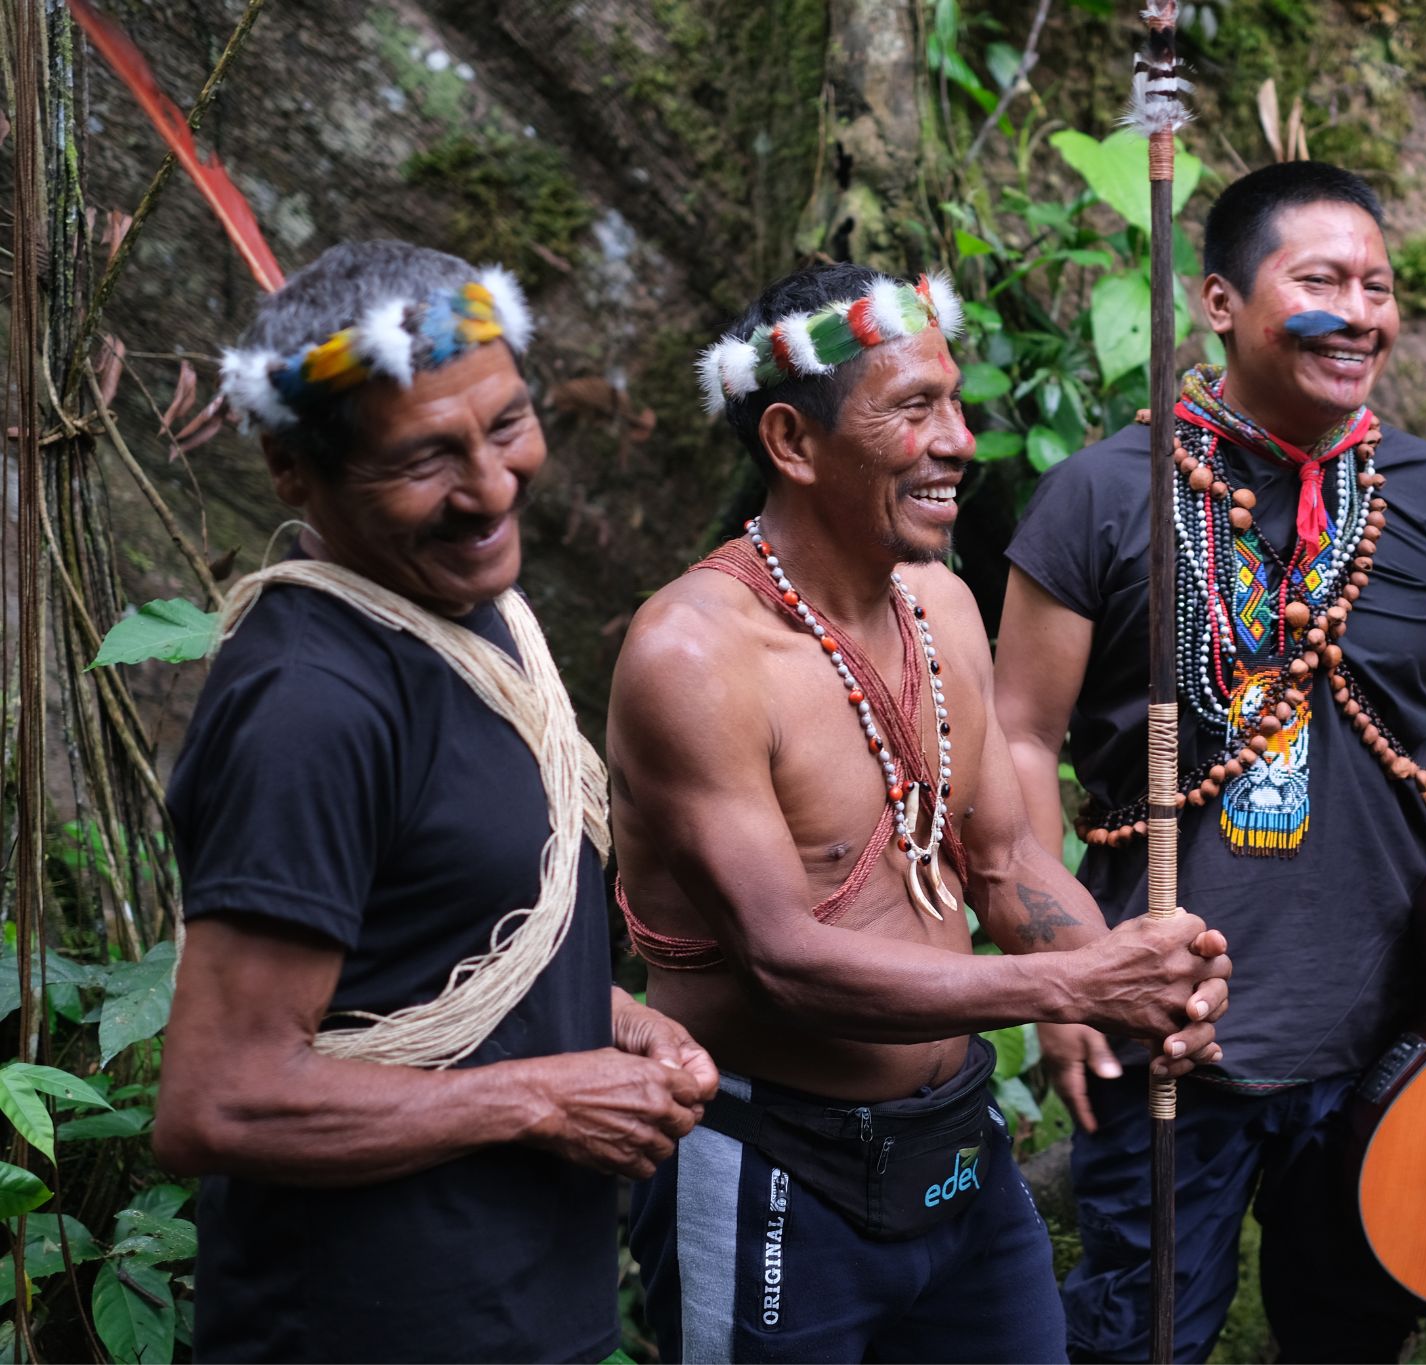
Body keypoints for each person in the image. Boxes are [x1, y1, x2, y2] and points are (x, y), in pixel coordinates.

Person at [995, 161, 1426, 1361]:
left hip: (1399, 1039)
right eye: (1320, 281)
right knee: (1140, 1340)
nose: (1358, 314)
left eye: (1377, 287)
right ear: (1218, 301)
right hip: (1169, 1030)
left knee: (1351, 1337)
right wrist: (1061, 974)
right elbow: (1017, 741)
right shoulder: (1099, 495)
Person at [609, 262, 1233, 1364]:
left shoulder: (938, 603)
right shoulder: (694, 656)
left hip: (955, 1151)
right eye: (912, 409)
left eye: (953, 401)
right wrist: (1068, 986)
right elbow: (786, 961)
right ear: (792, 442)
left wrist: (1137, 973)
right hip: (771, 1158)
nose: (958, 441)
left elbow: (1002, 860)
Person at [155, 239, 719, 1364]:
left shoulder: (478, 617)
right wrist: (541, 1100)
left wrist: (608, 1019)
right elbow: (219, 1101)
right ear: (290, 468)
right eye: (424, 459)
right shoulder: (310, 707)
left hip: (526, 1316)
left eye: (506, 425)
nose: (491, 489)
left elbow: (432, 949)